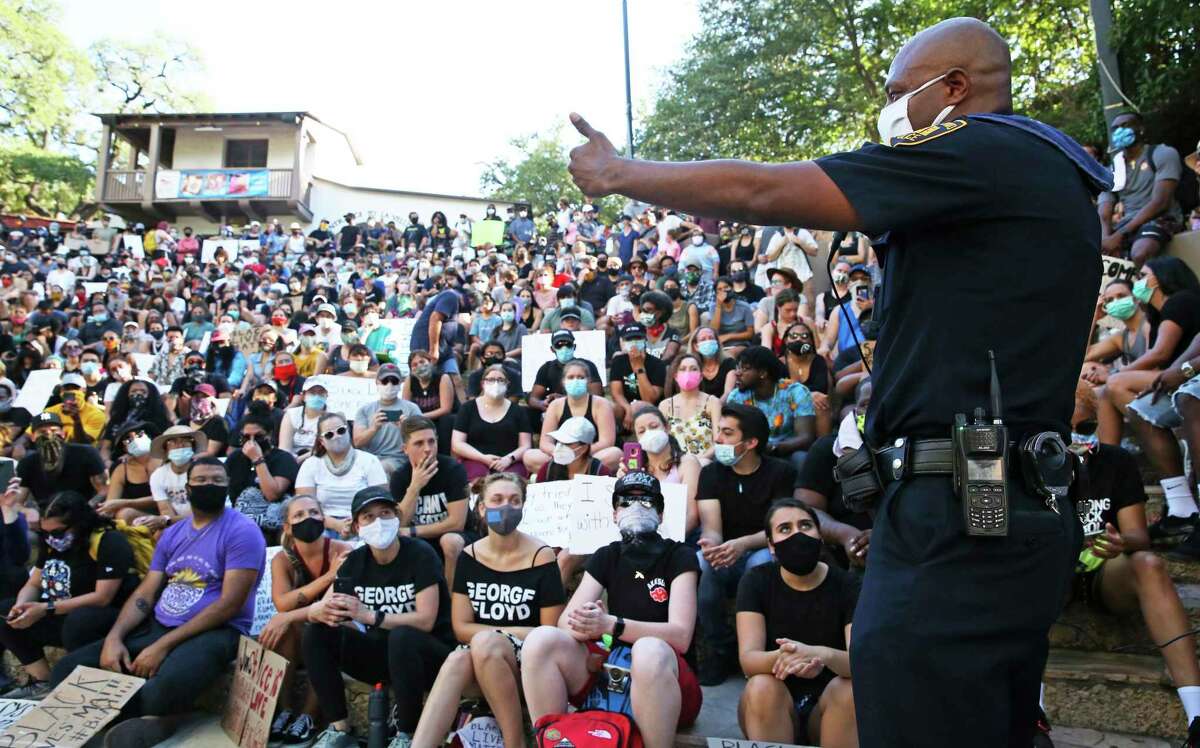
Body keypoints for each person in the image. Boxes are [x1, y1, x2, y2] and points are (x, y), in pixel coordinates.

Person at [564, 15, 1107, 744]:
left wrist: (620, 174)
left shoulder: (979, 150)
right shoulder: (1039, 174)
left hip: (962, 513)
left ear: (954, 88)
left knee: (919, 719)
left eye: (899, 92)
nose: (889, 111)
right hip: (996, 502)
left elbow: (760, 191)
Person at [50, 457, 265, 745]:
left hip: (216, 631)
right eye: (201, 480)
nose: (209, 485)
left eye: (217, 480)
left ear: (228, 486)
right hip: (159, 624)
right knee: (66, 670)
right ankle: (132, 720)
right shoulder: (173, 534)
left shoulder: (242, 531)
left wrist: (162, 646)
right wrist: (115, 638)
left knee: (159, 692)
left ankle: (164, 721)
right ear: (187, 488)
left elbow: (229, 605)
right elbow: (146, 593)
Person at [521, 471, 702, 748]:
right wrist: (590, 623)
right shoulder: (608, 554)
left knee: (648, 650)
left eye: (646, 501)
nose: (636, 507)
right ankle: (553, 739)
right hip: (613, 673)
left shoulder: (679, 556)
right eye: (626, 502)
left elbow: (681, 636)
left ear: (661, 514)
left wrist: (611, 625)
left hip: (667, 679)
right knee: (540, 639)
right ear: (615, 514)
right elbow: (566, 624)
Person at [411, 473, 566, 748]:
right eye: (497, 499)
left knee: (484, 643)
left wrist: (495, 637)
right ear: (481, 508)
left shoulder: (542, 556)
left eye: (514, 500)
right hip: (479, 658)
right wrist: (498, 636)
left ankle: (514, 742)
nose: (506, 507)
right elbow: (460, 627)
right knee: (457, 659)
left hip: (528, 665)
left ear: (523, 507)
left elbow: (547, 632)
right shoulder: (469, 556)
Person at [1063, 440, 1200, 736]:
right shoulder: (1030, 454)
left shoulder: (1114, 459)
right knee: (1027, 573)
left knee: (1149, 564)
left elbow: (1138, 535)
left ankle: (1197, 716)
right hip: (1051, 572)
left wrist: (1122, 542)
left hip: (1106, 570)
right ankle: (1034, 718)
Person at [303, 486, 455, 748]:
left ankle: (406, 734)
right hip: (381, 656)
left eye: (385, 513)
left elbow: (426, 620)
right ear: (357, 526)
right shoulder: (355, 560)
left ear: (397, 516)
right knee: (315, 633)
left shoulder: (420, 554)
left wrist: (370, 616)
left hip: (427, 655)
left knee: (402, 637)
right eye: (369, 517)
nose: (379, 522)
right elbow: (331, 605)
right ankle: (339, 728)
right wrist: (318, 611)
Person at [736, 499, 858, 747]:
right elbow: (749, 660)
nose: (797, 535)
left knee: (850, 689)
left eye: (805, 525)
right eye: (785, 529)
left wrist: (818, 655)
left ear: (820, 536)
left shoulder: (847, 585)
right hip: (771, 705)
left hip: (829, 707)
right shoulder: (756, 581)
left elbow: (859, 662)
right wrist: (789, 657)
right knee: (761, 685)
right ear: (771, 546)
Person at [0, 490, 139, 699]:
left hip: (103, 618)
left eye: (57, 532)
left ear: (79, 524)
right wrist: (21, 606)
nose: (50, 538)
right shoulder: (51, 544)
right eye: (45, 533)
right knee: (4, 611)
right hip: (58, 612)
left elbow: (103, 597)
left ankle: (87, 684)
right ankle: (42, 682)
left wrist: (46, 609)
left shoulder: (108, 541)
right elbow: (34, 583)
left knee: (79, 620)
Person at [260, 496, 353, 747]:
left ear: (323, 518)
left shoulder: (342, 551)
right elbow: (282, 604)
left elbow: (331, 608)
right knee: (287, 626)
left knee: (317, 629)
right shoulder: (283, 559)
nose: (308, 518)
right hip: (299, 636)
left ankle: (309, 716)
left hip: (338, 632)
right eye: (299, 515)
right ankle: (286, 709)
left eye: (314, 512)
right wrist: (329, 576)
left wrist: (288, 615)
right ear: (287, 527)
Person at [1098, 257, 1200, 448]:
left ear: (1161, 277)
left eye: (1143, 276)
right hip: (1171, 374)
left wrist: (1116, 374)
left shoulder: (1179, 301)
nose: (1138, 282)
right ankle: (1109, 454)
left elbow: (1159, 354)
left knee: (1115, 383)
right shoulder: (1156, 316)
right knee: (1105, 390)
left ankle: (1166, 434)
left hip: (1188, 374)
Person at [1099, 111, 1185, 266]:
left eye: (1125, 125)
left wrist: (1119, 235)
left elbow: (1160, 202)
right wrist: (1106, 239)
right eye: (1115, 128)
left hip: (1161, 219)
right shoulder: (1114, 169)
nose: (1119, 131)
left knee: (1140, 253)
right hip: (1126, 225)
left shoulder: (1162, 153)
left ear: (1141, 129)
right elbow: (1104, 210)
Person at [389, 416, 470, 580]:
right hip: (418, 540)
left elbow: (457, 523)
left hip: (456, 536)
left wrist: (412, 531)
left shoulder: (454, 470)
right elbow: (399, 524)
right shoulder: (400, 476)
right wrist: (415, 486)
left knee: (450, 541)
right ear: (405, 449)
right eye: (419, 443)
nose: (427, 449)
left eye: (432, 441)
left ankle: (450, 594)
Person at [294, 413, 388, 539]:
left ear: (348, 431)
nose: (337, 436)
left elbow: (381, 501)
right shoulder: (310, 464)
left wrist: (357, 523)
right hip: (321, 526)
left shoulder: (370, 460)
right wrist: (336, 525)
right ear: (321, 441)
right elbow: (303, 507)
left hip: (365, 524)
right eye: (329, 435)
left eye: (341, 431)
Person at [727, 345, 816, 476]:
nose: (737, 373)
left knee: (801, 458)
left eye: (745, 369)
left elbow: (806, 437)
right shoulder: (736, 397)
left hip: (787, 452)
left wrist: (774, 448)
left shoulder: (795, 392)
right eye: (738, 367)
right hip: (749, 453)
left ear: (763, 373)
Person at [525, 359, 622, 475]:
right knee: (530, 456)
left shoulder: (601, 404)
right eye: (571, 377)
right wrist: (562, 453)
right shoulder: (555, 405)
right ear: (563, 381)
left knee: (614, 454)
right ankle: (569, 472)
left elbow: (606, 442)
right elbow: (545, 443)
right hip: (561, 457)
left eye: (580, 377)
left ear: (588, 381)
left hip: (591, 456)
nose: (575, 381)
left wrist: (579, 454)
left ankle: (566, 473)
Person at [226, 404, 299, 540]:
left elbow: (272, 494)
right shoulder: (235, 458)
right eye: (247, 437)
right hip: (241, 522)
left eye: (258, 436)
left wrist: (257, 459)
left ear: (269, 435)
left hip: (274, 525)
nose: (252, 442)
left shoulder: (283, 459)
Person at [626, 406, 701, 536]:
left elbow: (692, 516)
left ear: (666, 427)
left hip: (680, 538)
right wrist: (624, 481)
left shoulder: (687, 463)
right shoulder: (636, 470)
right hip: (641, 537)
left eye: (654, 427)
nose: (649, 433)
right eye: (642, 431)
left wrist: (665, 543)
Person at [451, 364, 532, 480]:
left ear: (507, 384)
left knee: (510, 482)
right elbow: (457, 444)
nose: (496, 383)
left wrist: (509, 459)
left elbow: (526, 445)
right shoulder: (467, 408)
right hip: (475, 459)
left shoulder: (518, 411)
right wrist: (483, 458)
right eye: (491, 380)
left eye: (500, 380)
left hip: (510, 462)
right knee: (477, 480)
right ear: (483, 384)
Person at [17, 412, 107, 512]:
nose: (49, 434)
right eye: (42, 432)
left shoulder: (85, 453)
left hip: (82, 511)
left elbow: (104, 490)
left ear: (63, 434)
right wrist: (28, 512)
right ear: (33, 437)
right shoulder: (27, 462)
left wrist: (86, 509)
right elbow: (17, 502)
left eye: (54, 430)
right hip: (46, 515)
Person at [354, 363, 423, 473]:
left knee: (380, 469)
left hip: (398, 460)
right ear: (377, 382)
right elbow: (357, 442)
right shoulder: (364, 410)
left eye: (394, 381)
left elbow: (422, 439)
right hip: (369, 459)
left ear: (400, 383)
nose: (389, 385)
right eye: (385, 381)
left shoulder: (412, 409)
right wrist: (373, 428)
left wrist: (405, 429)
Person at [662, 353, 723, 460]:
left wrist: (698, 462)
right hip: (675, 464)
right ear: (675, 376)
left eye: (693, 369)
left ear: (701, 376)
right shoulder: (665, 405)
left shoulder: (713, 402)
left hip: (705, 462)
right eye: (682, 369)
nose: (688, 373)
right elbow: (662, 442)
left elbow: (718, 440)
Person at [527, 329, 604, 415]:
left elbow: (597, 396)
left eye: (568, 344)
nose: (564, 348)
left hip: (584, 411)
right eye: (559, 345)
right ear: (552, 349)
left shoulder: (588, 366)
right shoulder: (546, 368)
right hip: (555, 412)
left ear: (574, 347)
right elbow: (533, 398)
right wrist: (542, 403)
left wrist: (564, 400)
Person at [101, 421, 162, 524]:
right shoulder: (122, 469)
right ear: (124, 448)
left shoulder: (165, 460)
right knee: (124, 515)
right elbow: (110, 503)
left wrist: (124, 503)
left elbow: (164, 497)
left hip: (169, 514)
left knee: (125, 513)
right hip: (139, 518)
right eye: (129, 440)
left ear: (148, 436)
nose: (135, 440)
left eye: (139, 434)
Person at [609, 322, 667, 428]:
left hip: (650, 408)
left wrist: (639, 368)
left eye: (637, 338)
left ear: (645, 339)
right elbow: (616, 393)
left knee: (637, 406)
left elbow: (649, 398)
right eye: (629, 339)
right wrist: (628, 408)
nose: (634, 343)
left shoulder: (657, 364)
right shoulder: (618, 361)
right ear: (622, 341)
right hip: (625, 407)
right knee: (609, 407)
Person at [42, 373, 105, 444]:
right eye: (67, 388)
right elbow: (36, 434)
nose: (71, 391)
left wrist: (77, 420)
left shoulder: (96, 414)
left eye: (75, 388)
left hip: (82, 450)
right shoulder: (50, 411)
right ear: (61, 391)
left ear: (84, 391)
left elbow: (84, 442)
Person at [279, 377, 327, 460]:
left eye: (321, 393)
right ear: (303, 396)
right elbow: (284, 448)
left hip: (320, 458)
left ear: (326, 396)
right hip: (292, 459)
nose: (317, 397)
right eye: (312, 393)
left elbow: (325, 447)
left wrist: (300, 459)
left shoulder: (332, 416)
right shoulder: (291, 414)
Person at [710, 276, 757, 353]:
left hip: (740, 344)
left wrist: (729, 336)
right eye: (719, 289)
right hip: (721, 345)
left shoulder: (744, 306)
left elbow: (750, 333)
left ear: (732, 288)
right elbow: (714, 331)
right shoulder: (713, 307)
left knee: (730, 354)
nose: (723, 291)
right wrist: (718, 306)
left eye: (726, 287)